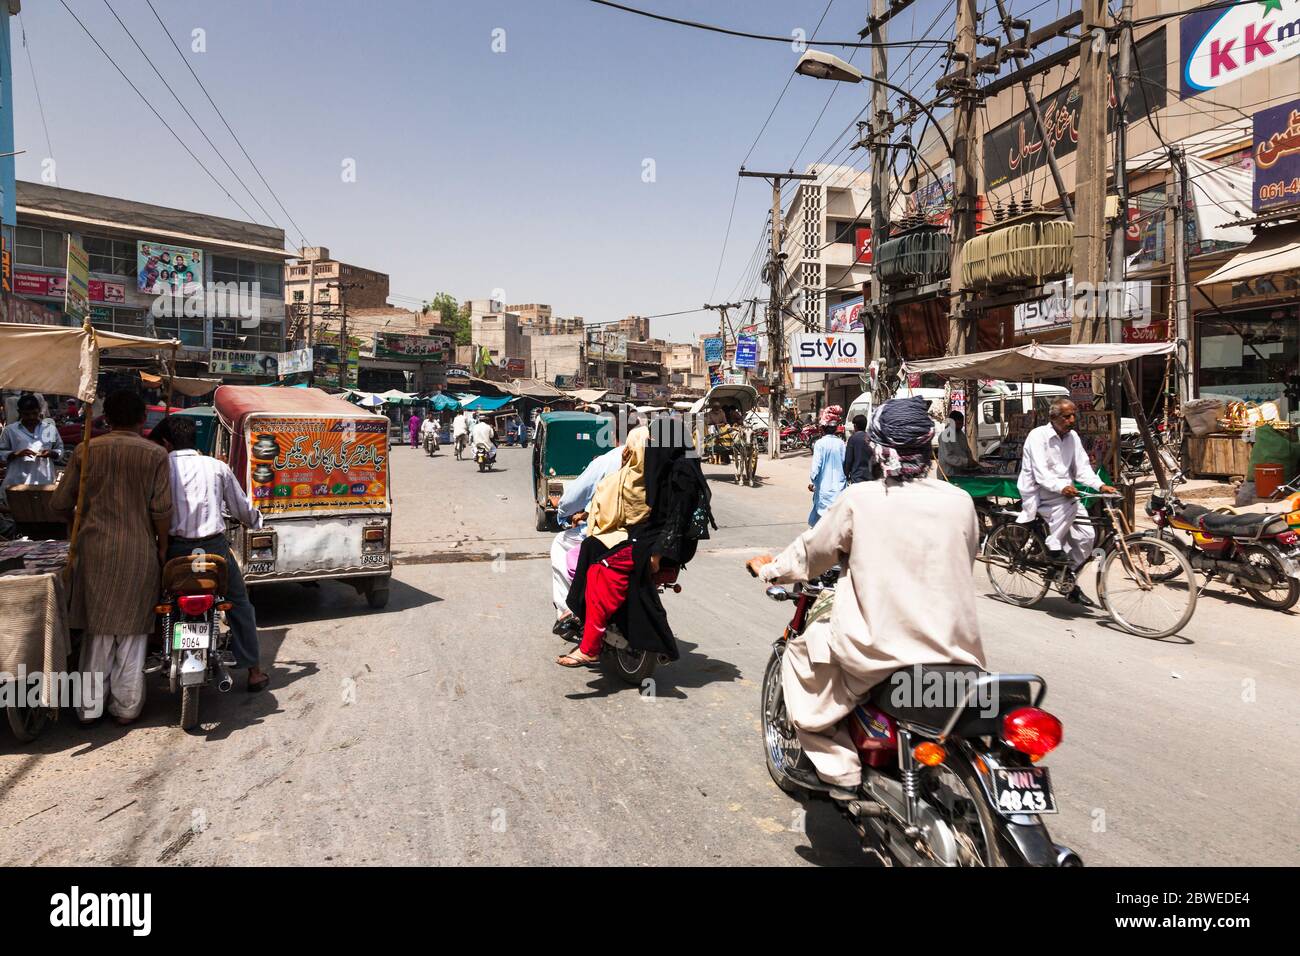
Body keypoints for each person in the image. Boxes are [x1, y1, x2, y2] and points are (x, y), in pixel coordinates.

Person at [746, 397, 986, 794]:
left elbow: (809, 555)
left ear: (877, 448)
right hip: (959, 653)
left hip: (879, 654)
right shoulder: (960, 501)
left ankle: (841, 772)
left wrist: (769, 569)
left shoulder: (861, 499)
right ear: (928, 447)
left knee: (799, 659)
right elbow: (964, 558)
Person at [51, 390, 173, 725]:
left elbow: (60, 504)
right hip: (139, 550)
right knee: (133, 634)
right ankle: (126, 708)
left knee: (97, 634)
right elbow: (162, 510)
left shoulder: (85, 450)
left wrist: (82, 519)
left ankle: (89, 709)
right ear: (140, 421)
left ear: (107, 418)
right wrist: (162, 547)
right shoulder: (155, 454)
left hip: (95, 550)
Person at [158, 415, 269, 692]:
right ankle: (254, 671)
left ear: (166, 442)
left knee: (159, 601)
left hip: (173, 551)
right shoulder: (216, 467)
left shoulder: (159, 467)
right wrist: (257, 520)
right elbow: (242, 509)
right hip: (213, 550)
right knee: (239, 604)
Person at [1016, 397, 1117, 607]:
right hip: (1040, 491)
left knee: (1087, 537)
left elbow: (1082, 469)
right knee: (1069, 507)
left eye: (1074, 415)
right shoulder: (1038, 436)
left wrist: (1099, 486)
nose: (1072, 420)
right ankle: (1053, 544)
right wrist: (1061, 487)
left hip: (1065, 493)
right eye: (1067, 416)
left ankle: (1067, 576)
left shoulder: (1073, 438)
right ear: (1053, 417)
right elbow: (1040, 472)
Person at [550, 421, 624, 627]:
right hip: (647, 534)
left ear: (613, 438)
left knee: (560, 543)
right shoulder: (654, 461)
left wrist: (563, 513)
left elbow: (573, 497)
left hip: (609, 534)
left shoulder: (607, 461)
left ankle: (566, 610)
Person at [0, 394, 64, 492]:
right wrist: (15, 454)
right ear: (19, 412)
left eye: (34, 413)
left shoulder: (49, 429)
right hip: (17, 482)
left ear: (39, 410)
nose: (31, 417)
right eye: (26, 414)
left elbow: (59, 449)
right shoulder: (10, 430)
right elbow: (1, 452)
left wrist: (51, 453)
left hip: (44, 481)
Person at [807, 405, 847, 526]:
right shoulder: (841, 444)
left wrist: (812, 481)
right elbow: (845, 463)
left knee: (822, 522)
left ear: (823, 428)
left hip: (824, 489)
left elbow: (816, 466)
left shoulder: (819, 444)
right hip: (839, 488)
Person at [937, 410, 980, 476]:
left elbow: (967, 450)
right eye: (958, 424)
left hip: (960, 472)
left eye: (961, 424)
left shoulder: (961, 434)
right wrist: (967, 462)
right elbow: (949, 457)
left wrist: (971, 460)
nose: (960, 426)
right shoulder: (945, 436)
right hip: (948, 473)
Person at [842, 413, 873, 484]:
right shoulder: (871, 438)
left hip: (857, 477)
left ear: (855, 426)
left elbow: (848, 460)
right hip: (870, 476)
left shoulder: (853, 439)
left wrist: (846, 474)